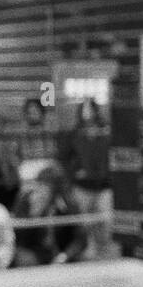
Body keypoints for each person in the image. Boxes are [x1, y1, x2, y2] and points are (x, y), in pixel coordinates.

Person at [60, 98, 115, 261]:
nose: (88, 113)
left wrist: (107, 173)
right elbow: (63, 158)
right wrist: (74, 173)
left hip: (104, 186)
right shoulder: (74, 134)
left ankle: (105, 252)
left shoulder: (107, 132)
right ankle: (88, 251)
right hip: (82, 187)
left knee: (105, 221)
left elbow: (113, 156)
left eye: (90, 109)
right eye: (84, 109)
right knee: (84, 223)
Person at [11, 165, 86, 267]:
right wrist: (34, 214)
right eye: (40, 184)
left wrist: (65, 256)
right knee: (25, 258)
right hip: (34, 250)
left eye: (47, 186)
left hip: (61, 252)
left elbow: (81, 239)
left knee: (82, 259)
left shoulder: (69, 203)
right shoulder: (26, 200)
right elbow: (17, 235)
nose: (42, 189)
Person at [15, 97, 57, 185]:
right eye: (30, 112)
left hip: (46, 164)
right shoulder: (22, 131)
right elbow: (23, 153)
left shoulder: (49, 130)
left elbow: (51, 151)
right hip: (28, 166)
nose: (33, 114)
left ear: (41, 112)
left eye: (35, 111)